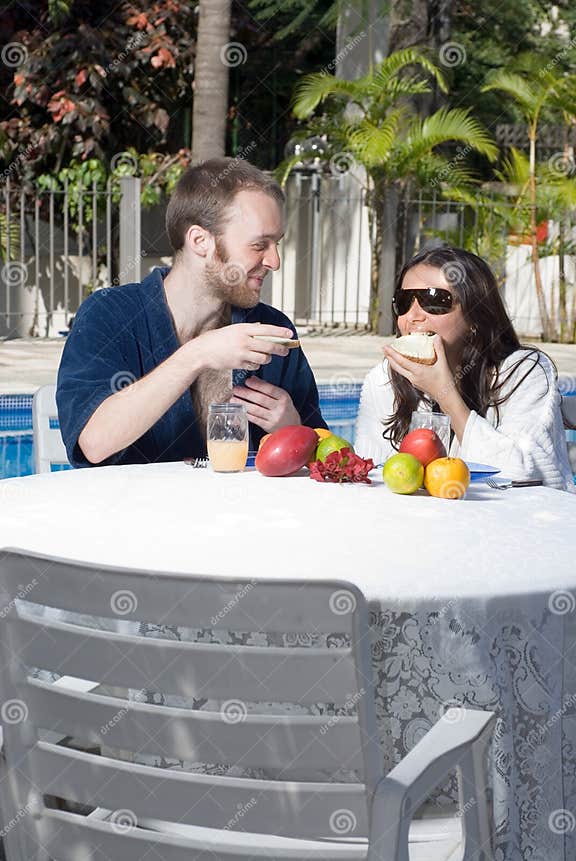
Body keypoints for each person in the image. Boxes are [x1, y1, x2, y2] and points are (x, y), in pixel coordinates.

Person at [57, 158, 327, 467]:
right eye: (259, 245)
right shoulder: (109, 314)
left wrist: (292, 429)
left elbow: (325, 460)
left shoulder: (272, 329)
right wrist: (197, 354)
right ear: (200, 240)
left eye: (276, 243)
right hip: (132, 512)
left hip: (244, 514)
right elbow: (94, 442)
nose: (274, 261)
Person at [355, 246, 575, 492]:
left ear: (474, 317)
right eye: (404, 302)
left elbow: (518, 476)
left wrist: (444, 393)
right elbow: (372, 474)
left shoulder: (525, 370)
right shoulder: (384, 378)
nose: (413, 316)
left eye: (434, 300)